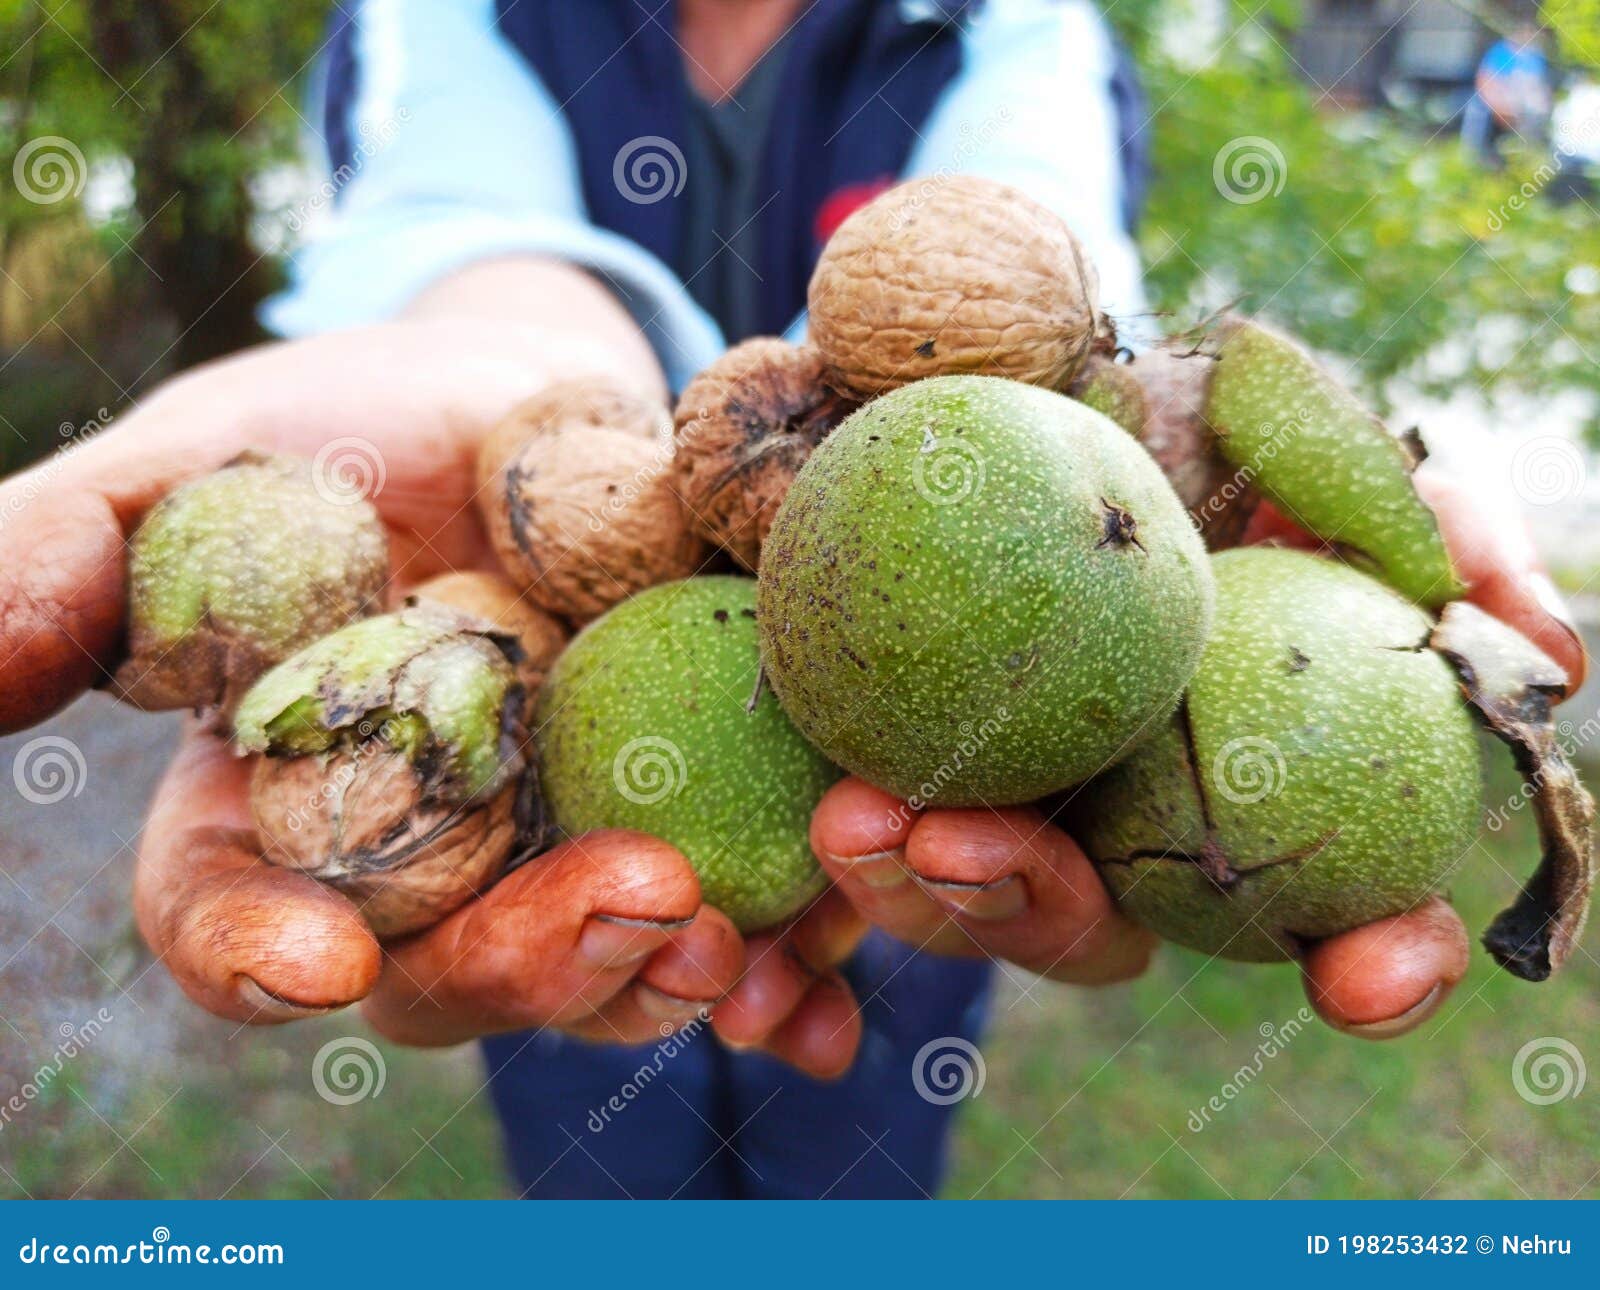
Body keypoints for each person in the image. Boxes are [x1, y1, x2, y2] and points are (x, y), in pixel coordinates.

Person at [0, 0, 1585, 1198]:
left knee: (864, 1125)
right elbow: (447, 217)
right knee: (595, 1125)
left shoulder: (1016, 21)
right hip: (572, 769)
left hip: (934, 798)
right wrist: (487, 364)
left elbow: (1038, 253)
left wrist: (1241, 439)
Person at [1462, 21, 1553, 165]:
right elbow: (1485, 82)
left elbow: (1542, 88)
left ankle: (1527, 161)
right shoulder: (1501, 51)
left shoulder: (1536, 56)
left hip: (1525, 111)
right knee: (1477, 110)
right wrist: (1502, 108)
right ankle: (1474, 157)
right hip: (1497, 106)